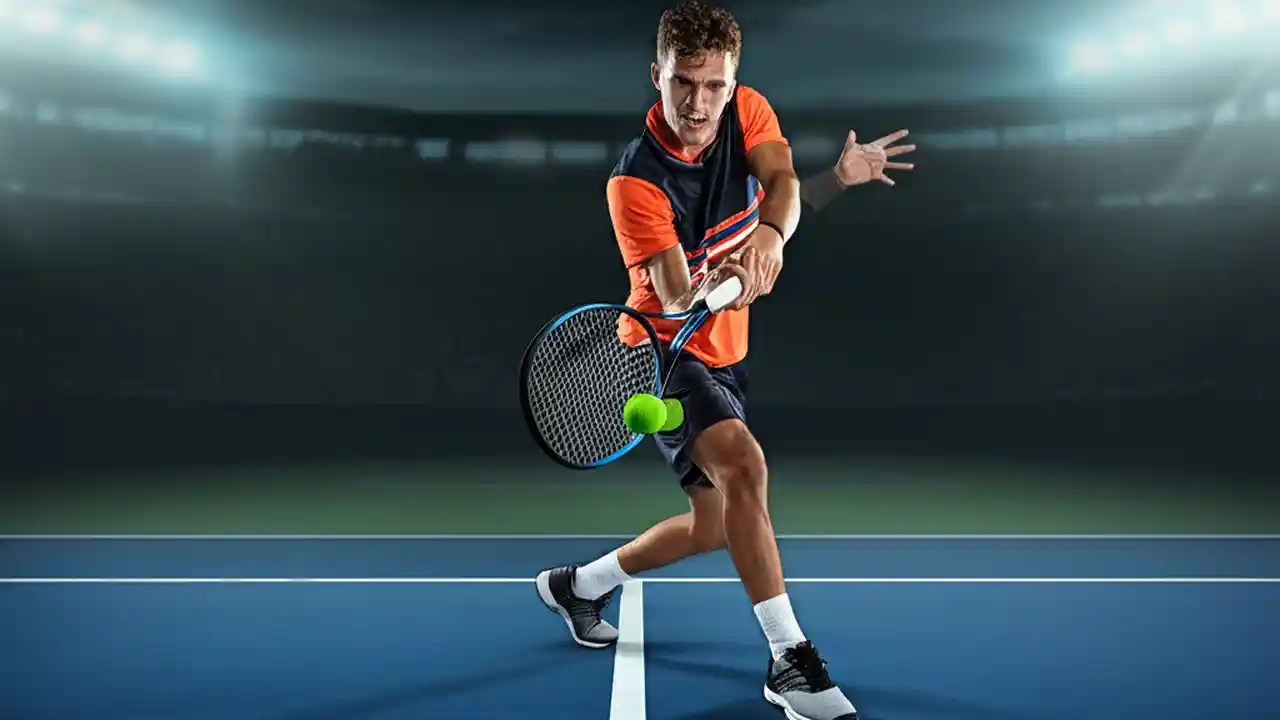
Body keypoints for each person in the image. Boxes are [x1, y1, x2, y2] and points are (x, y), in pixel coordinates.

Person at [535, 2, 915, 718]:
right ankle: (789, 662)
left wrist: (787, 221)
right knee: (746, 466)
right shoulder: (634, 183)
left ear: (734, 82)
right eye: (684, 83)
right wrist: (731, 275)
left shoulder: (750, 111)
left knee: (715, 526)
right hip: (665, 352)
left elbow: (783, 189)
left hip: (726, 357)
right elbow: (681, 298)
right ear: (658, 76)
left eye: (715, 86)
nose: (700, 103)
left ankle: (576, 587)